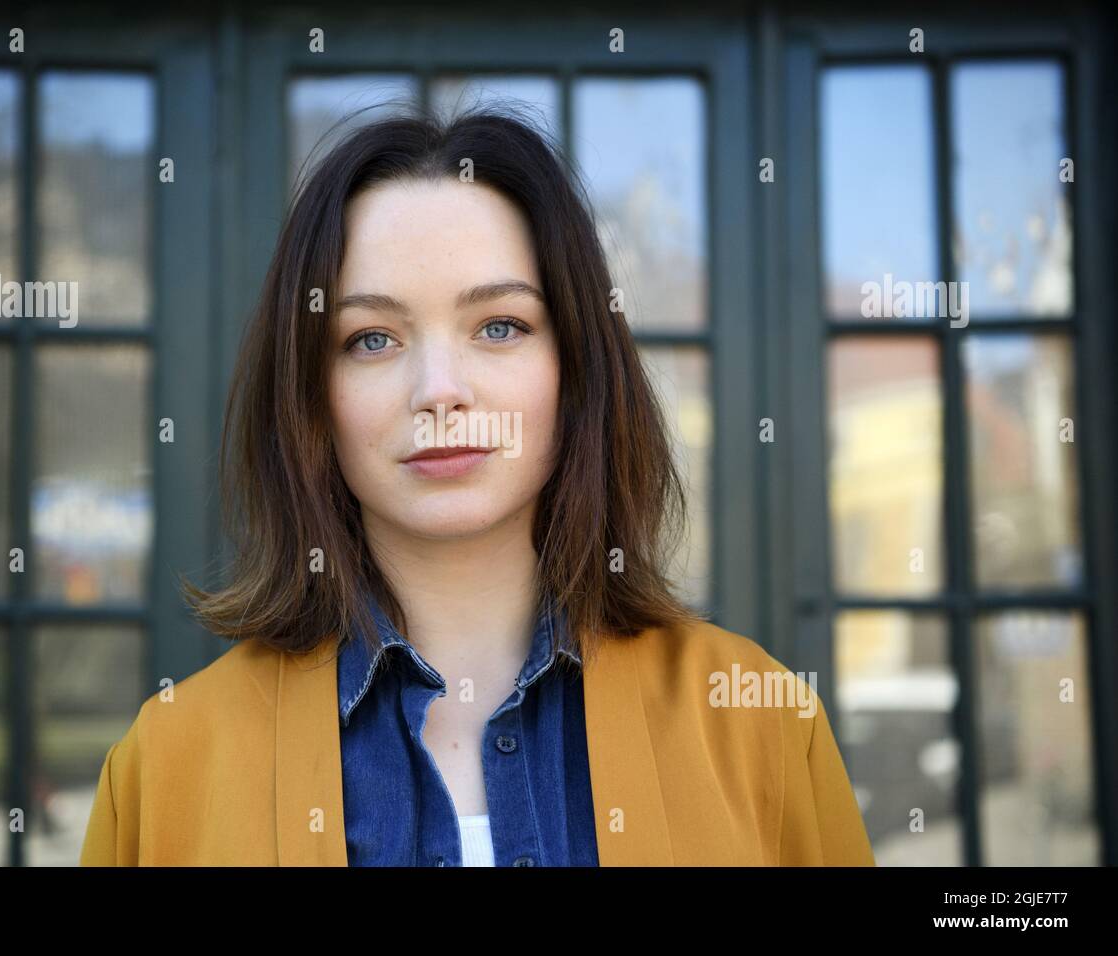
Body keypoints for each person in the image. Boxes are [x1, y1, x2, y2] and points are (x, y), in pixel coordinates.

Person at [79, 106, 875, 867]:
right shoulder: (167, 764)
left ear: (576, 371)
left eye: (499, 326)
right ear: (310, 398)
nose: (440, 390)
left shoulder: (758, 720)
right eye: (372, 339)